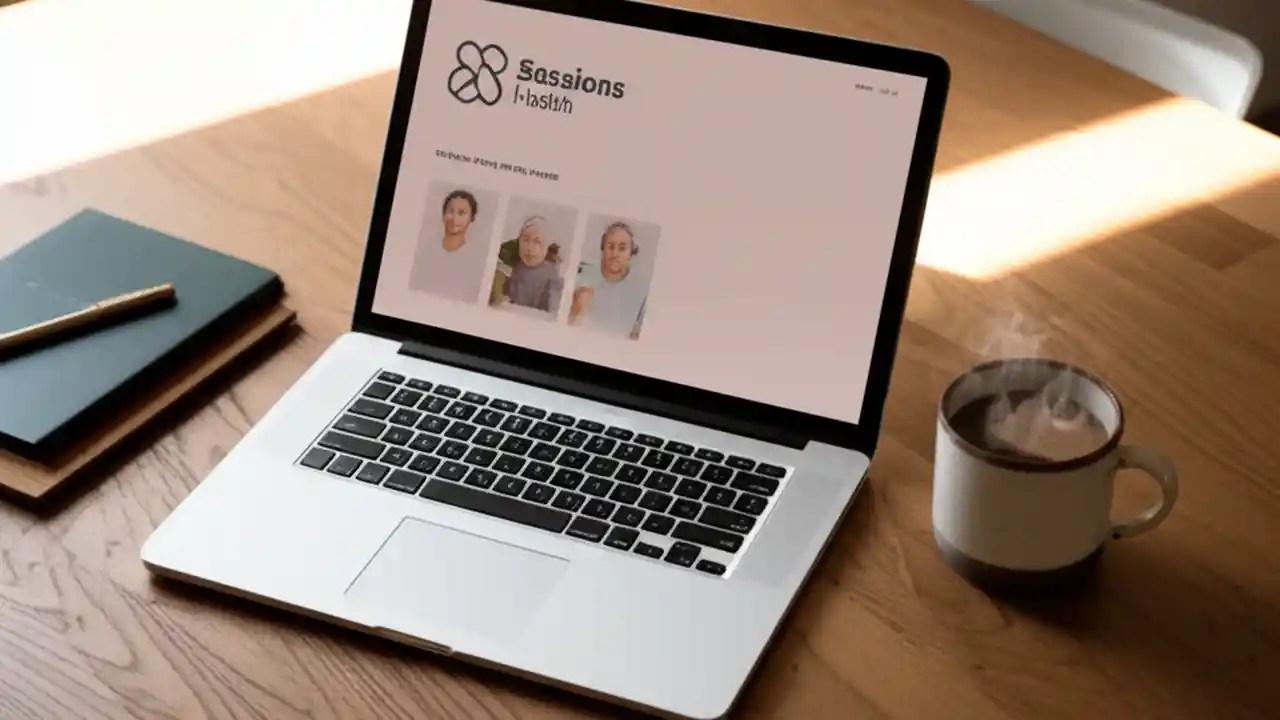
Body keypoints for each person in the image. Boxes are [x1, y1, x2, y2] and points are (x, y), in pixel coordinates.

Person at [407, 188, 489, 304]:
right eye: (450, 211)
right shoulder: (426, 252)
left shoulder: (476, 260)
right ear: (443, 215)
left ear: (471, 218)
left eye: (461, 213)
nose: (454, 218)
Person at [570, 221, 648, 339]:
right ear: (603, 248)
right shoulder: (584, 277)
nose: (615, 253)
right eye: (610, 246)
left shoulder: (641, 289)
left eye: (622, 248)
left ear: (631, 252)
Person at [502, 216, 563, 314]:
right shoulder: (514, 267)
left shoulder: (554, 276)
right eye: (525, 240)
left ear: (546, 246)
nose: (529, 248)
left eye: (537, 242)